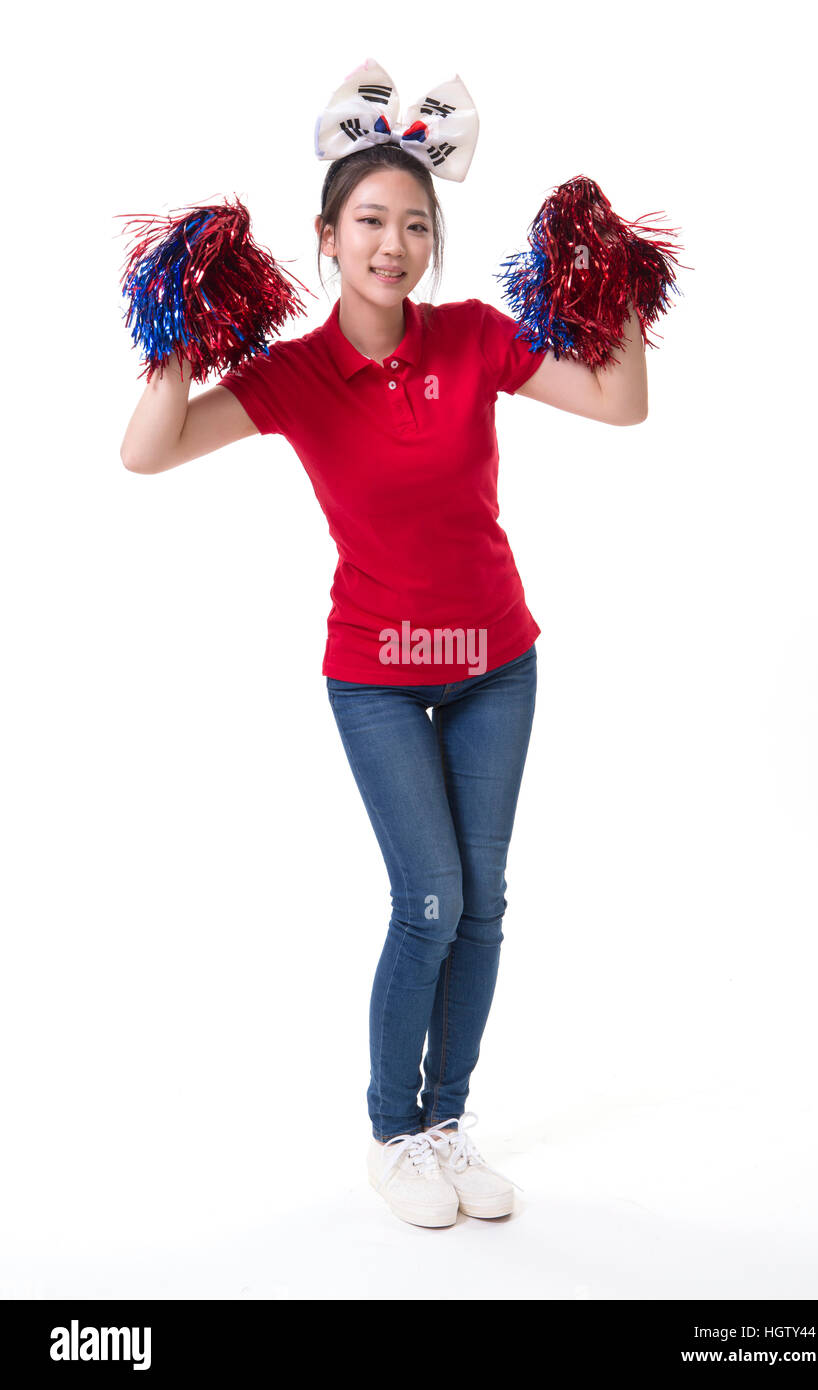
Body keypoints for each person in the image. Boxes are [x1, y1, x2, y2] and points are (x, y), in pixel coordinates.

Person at [119, 72, 648, 1232]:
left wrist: (614, 278)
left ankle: (446, 1122)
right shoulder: (294, 376)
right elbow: (147, 452)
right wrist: (176, 322)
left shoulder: (471, 338)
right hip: (375, 673)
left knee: (485, 903)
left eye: (416, 223)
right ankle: (389, 1133)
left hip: (496, 662)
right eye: (370, 220)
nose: (394, 243)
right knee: (428, 898)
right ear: (326, 237)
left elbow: (618, 403)